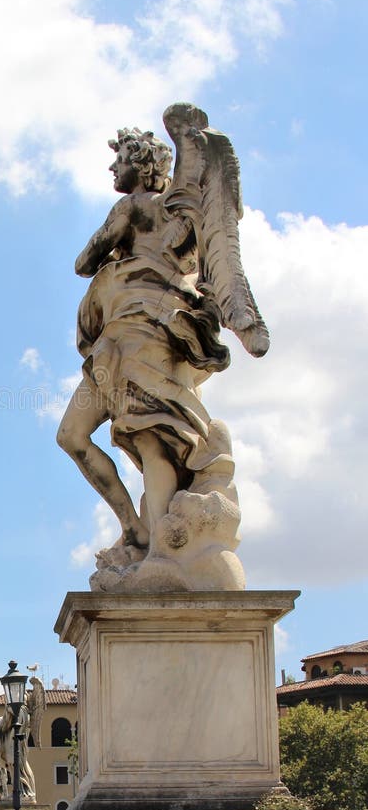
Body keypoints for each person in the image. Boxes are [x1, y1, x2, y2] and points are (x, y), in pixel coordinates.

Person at [58, 108, 268, 589]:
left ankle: (160, 552)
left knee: (151, 437)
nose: (114, 170)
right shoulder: (183, 215)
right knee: (73, 435)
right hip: (126, 340)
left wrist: (115, 259)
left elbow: (83, 260)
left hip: (140, 334)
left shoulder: (133, 207)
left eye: (120, 160)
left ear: (140, 163)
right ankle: (137, 530)